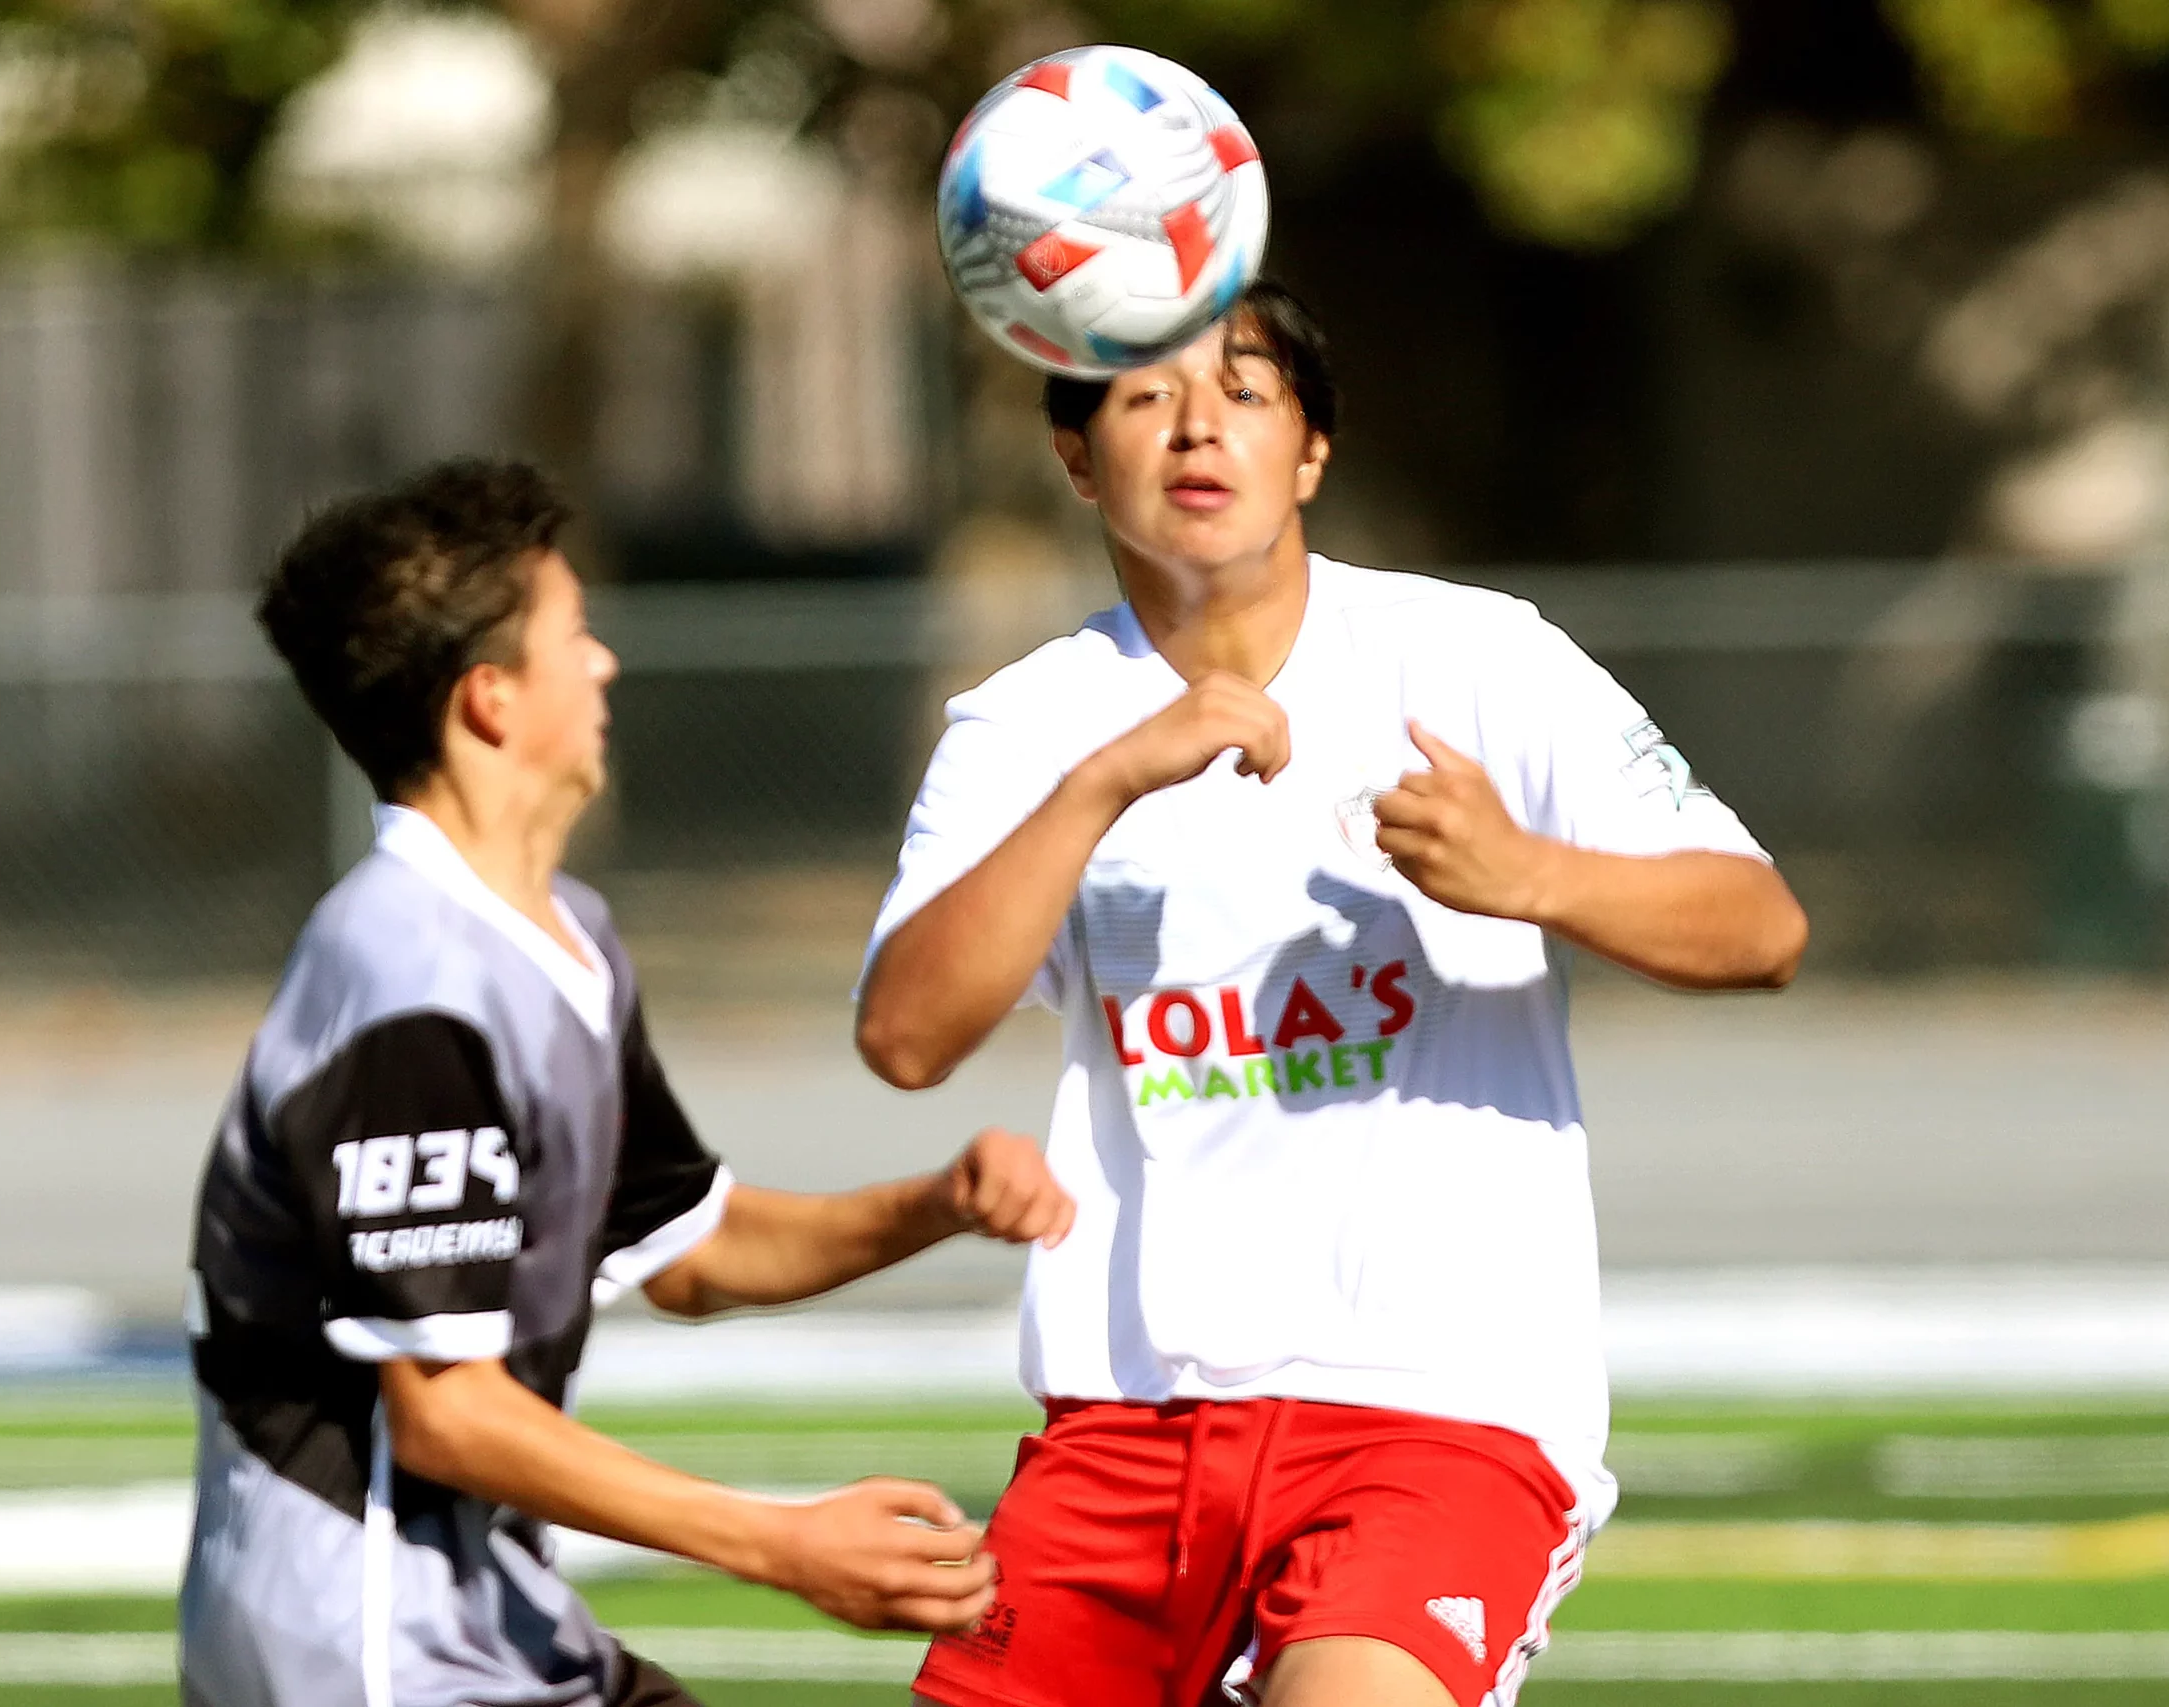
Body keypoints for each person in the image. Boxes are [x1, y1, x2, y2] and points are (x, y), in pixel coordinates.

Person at [857, 282, 1807, 1707]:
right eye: (1140, 395)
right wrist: (1108, 778)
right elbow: (907, 1034)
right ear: (1075, 455)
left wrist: (1531, 871)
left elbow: (1762, 923)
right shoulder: (1024, 729)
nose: (1196, 425)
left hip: (1437, 1417)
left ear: (1309, 452)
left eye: (1245, 392)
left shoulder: (1481, 660)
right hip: (1124, 1432)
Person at [180, 458, 1075, 1707]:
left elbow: (690, 1251)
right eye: (575, 637)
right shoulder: (411, 984)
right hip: (366, 1650)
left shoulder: (566, 940)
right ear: (490, 701)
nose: (604, 665)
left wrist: (932, 1207)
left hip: (488, 1619)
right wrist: (784, 1544)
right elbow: (446, 1411)